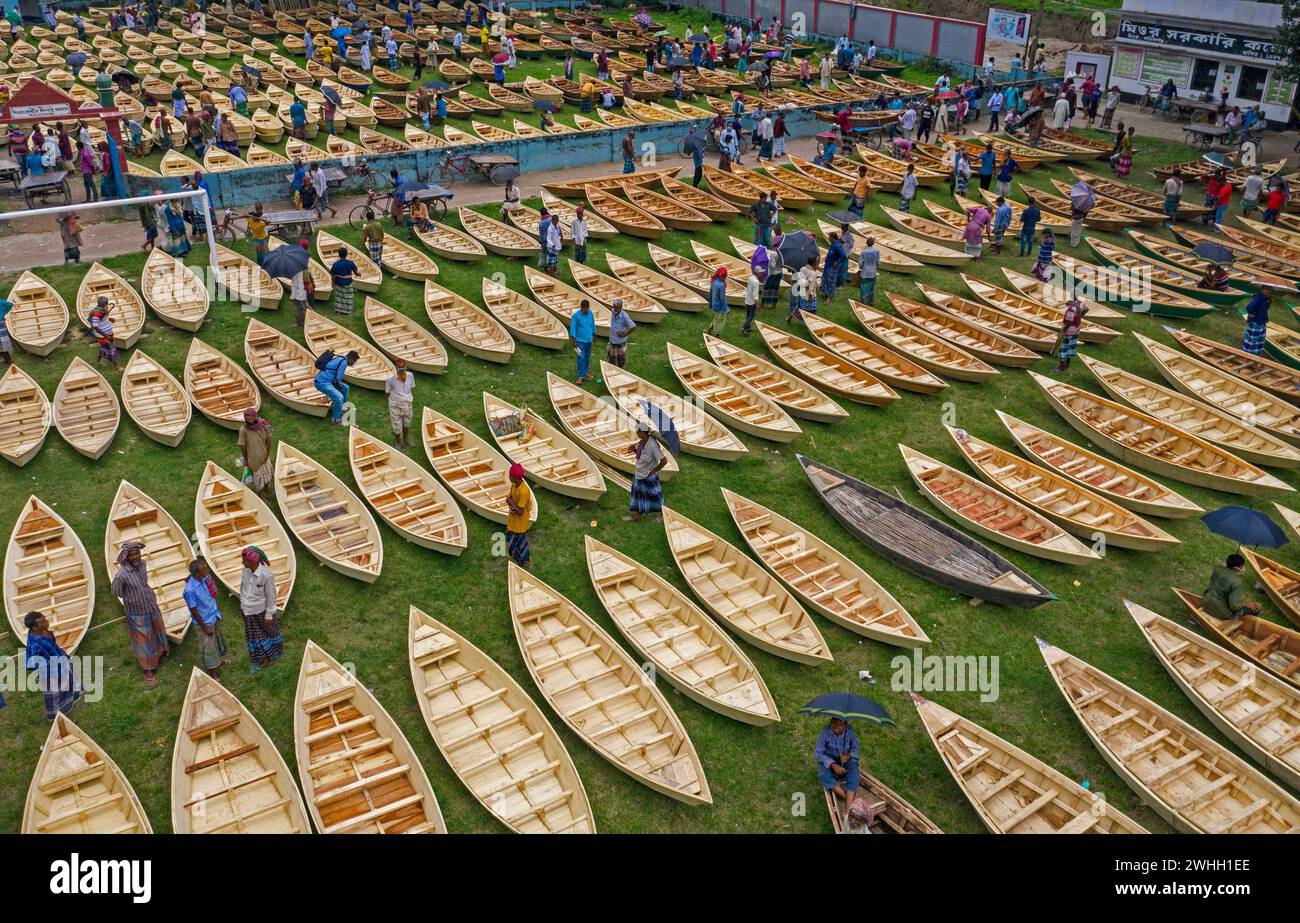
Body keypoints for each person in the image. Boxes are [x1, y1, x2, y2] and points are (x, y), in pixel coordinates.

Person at [110, 542, 169, 687]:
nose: (136, 557)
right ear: (126, 557)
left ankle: (159, 654)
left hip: (150, 604)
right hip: (137, 612)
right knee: (143, 641)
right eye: (132, 555)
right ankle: (148, 670)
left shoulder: (143, 564)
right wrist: (133, 597)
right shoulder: (122, 575)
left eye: (137, 553)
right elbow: (116, 592)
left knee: (156, 630)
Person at [23, 611, 81, 719]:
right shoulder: (35, 644)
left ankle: (70, 706)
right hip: (52, 674)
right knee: (58, 698)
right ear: (35, 628)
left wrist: (61, 653)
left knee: (69, 686)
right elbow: (31, 663)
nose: (46, 621)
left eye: (44, 618)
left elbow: (52, 644)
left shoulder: (44, 631)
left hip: (62, 664)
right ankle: (60, 718)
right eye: (42, 621)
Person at [184, 559, 229, 679]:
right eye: (205, 569)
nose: (208, 570)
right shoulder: (190, 590)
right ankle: (213, 674)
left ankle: (217, 662)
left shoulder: (204, 579)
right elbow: (194, 610)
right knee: (208, 647)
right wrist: (204, 627)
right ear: (197, 573)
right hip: (205, 622)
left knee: (216, 643)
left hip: (213, 616)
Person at [239, 547, 281, 671]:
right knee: (253, 636)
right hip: (248, 611)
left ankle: (269, 658)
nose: (243, 563)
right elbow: (242, 588)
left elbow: (271, 596)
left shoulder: (266, 575)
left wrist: (269, 615)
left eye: (245, 561)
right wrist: (242, 604)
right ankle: (262, 657)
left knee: (264, 636)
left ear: (254, 562)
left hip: (261, 612)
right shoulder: (246, 570)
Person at [816, 717, 861, 821]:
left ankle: (848, 809)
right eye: (833, 723)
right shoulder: (826, 732)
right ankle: (848, 799)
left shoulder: (849, 730)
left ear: (845, 725)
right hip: (830, 759)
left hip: (846, 759)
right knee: (823, 775)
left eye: (838, 724)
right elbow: (818, 752)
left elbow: (856, 748)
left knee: (854, 774)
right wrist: (833, 765)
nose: (834, 726)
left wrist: (848, 756)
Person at [626, 422, 667, 522]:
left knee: (655, 495)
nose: (636, 433)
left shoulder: (653, 445)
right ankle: (638, 515)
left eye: (637, 431)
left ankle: (663, 515)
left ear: (642, 432)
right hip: (639, 473)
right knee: (639, 494)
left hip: (648, 475)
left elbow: (663, 461)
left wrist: (654, 470)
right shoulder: (641, 442)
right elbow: (642, 456)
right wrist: (634, 450)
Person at [1202, 554, 1262, 619]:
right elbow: (1234, 606)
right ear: (1236, 568)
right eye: (1241, 566)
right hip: (1221, 613)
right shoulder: (1236, 583)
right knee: (1256, 608)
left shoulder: (1217, 569)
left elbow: (1222, 566)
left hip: (1206, 602)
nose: (1243, 568)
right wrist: (1247, 604)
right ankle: (1247, 624)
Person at [315, 350, 358, 424]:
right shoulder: (344, 363)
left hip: (328, 380)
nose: (353, 363)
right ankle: (336, 419)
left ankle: (342, 407)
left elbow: (336, 379)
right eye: (354, 361)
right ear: (351, 359)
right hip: (322, 383)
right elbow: (338, 378)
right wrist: (338, 384)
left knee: (345, 388)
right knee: (339, 398)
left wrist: (339, 384)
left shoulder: (340, 358)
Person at [239, 406, 274, 494]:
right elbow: (242, 445)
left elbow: (269, 440)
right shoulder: (243, 430)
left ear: (255, 416)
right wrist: (246, 460)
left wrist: (268, 453)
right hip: (253, 458)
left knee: (267, 473)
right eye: (247, 419)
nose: (250, 420)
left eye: (251, 418)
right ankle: (260, 495)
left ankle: (267, 488)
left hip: (264, 454)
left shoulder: (263, 425)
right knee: (258, 479)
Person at [505, 464, 532, 568]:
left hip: (520, 521)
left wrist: (510, 502)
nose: (509, 477)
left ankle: (524, 561)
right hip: (513, 519)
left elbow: (520, 511)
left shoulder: (524, 491)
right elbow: (511, 498)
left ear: (516, 478)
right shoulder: (514, 485)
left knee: (520, 541)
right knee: (511, 537)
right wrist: (510, 502)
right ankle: (518, 559)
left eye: (510, 476)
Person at [386, 359, 414, 449]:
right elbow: (388, 391)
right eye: (399, 367)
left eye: (403, 367)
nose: (401, 369)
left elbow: (411, 387)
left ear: (405, 367)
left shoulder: (410, 376)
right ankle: (398, 442)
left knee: (407, 423)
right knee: (396, 424)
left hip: (407, 403)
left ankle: (406, 440)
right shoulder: (390, 379)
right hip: (395, 404)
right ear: (396, 367)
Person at [1053, 296, 1086, 373]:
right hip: (1076, 330)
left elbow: (1069, 322)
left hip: (1069, 331)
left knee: (1063, 348)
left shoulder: (1071, 308)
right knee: (1071, 347)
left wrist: (1063, 330)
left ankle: (1061, 368)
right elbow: (1086, 309)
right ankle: (1067, 365)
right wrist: (1080, 316)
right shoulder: (1081, 304)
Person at [570, 299, 596, 383]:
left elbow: (592, 323)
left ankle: (585, 372)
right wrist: (573, 340)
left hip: (589, 340)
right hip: (580, 340)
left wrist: (594, 333)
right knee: (581, 358)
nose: (585, 310)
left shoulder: (590, 313)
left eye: (587, 308)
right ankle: (580, 376)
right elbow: (573, 328)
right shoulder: (576, 316)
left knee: (587, 357)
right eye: (584, 308)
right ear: (581, 307)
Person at [330, 246, 358, 317]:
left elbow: (333, 275)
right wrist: (358, 274)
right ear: (346, 254)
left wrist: (333, 283)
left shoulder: (335, 264)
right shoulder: (350, 263)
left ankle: (339, 311)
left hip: (339, 283)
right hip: (348, 283)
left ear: (339, 255)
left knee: (339, 297)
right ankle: (348, 312)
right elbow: (355, 272)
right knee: (348, 297)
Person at [607, 299, 636, 368]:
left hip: (620, 341)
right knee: (611, 356)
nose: (614, 309)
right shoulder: (613, 311)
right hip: (612, 339)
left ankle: (620, 370)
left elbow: (633, 326)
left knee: (621, 358)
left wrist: (624, 334)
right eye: (613, 307)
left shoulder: (624, 316)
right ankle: (611, 368)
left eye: (616, 307)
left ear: (620, 307)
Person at [1242, 290, 1271, 355]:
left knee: (1260, 337)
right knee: (1253, 338)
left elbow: (1264, 308)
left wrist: (1268, 302)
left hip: (1262, 321)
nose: (1268, 291)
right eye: (1266, 289)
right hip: (1256, 321)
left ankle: (1257, 352)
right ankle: (1248, 352)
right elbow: (1249, 306)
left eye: (1270, 289)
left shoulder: (1264, 298)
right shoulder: (1258, 297)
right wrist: (1252, 313)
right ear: (1262, 289)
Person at [1068, 179, 1094, 248]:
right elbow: (1086, 210)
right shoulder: (1088, 203)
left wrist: (1073, 205)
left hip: (1077, 218)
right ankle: (1075, 241)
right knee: (1078, 230)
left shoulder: (1078, 203)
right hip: (1082, 217)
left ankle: (1073, 244)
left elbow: (1074, 209)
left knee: (1075, 231)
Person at [821, 232, 846, 302]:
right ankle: (826, 293)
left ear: (832, 238)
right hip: (827, 265)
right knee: (825, 280)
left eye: (829, 237)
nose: (828, 238)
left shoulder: (837, 245)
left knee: (831, 282)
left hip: (832, 267)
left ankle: (829, 297)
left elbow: (843, 255)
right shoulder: (833, 244)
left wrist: (837, 262)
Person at [857, 237, 880, 306]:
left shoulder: (864, 252)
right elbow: (878, 262)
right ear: (873, 243)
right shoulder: (877, 251)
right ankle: (871, 301)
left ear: (866, 243)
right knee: (871, 287)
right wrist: (876, 267)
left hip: (865, 272)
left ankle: (864, 302)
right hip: (873, 271)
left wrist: (861, 267)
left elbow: (860, 263)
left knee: (864, 287)